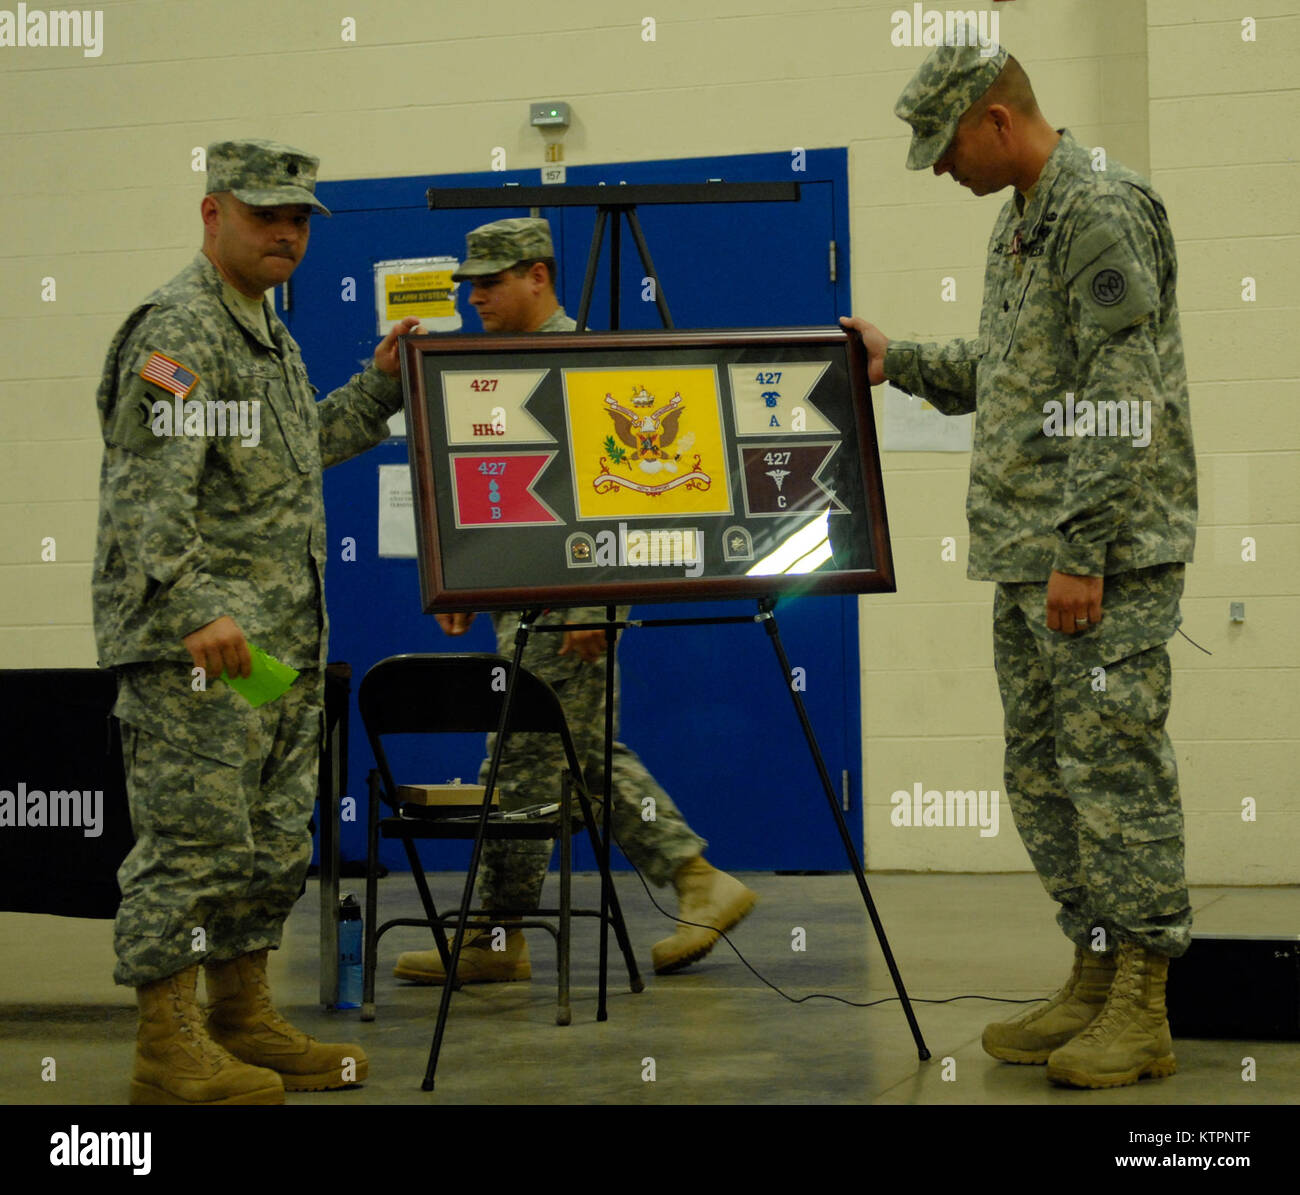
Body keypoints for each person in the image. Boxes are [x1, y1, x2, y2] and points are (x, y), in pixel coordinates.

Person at [841, 41, 1197, 1089]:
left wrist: (1080, 551)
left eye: (943, 147)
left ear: (995, 119)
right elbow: (1012, 375)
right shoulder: (1022, 223)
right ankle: (1092, 974)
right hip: (1026, 561)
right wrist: (895, 359)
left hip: (1098, 563)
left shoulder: (1098, 210)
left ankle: (1141, 1005)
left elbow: (1119, 397)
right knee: (1043, 774)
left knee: (1112, 773)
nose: (938, 168)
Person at [94, 138, 421, 1105]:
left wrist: (383, 387)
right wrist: (195, 606)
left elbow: (299, 448)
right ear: (213, 214)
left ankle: (243, 1018)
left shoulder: (267, 334)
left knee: (270, 835)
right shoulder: (179, 331)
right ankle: (167, 1041)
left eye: (300, 220)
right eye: (266, 214)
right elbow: (143, 493)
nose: (286, 232)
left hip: (270, 650)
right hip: (198, 646)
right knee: (191, 841)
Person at [393, 218, 756, 985]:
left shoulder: (584, 362)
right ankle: (507, 934)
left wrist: (606, 604)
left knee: (556, 757)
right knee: (544, 762)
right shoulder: (498, 365)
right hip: (519, 601)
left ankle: (688, 878)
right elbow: (492, 490)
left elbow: (639, 497)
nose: (477, 295)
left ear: (539, 275)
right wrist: (459, 582)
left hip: (574, 604)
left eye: (491, 280)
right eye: (471, 283)